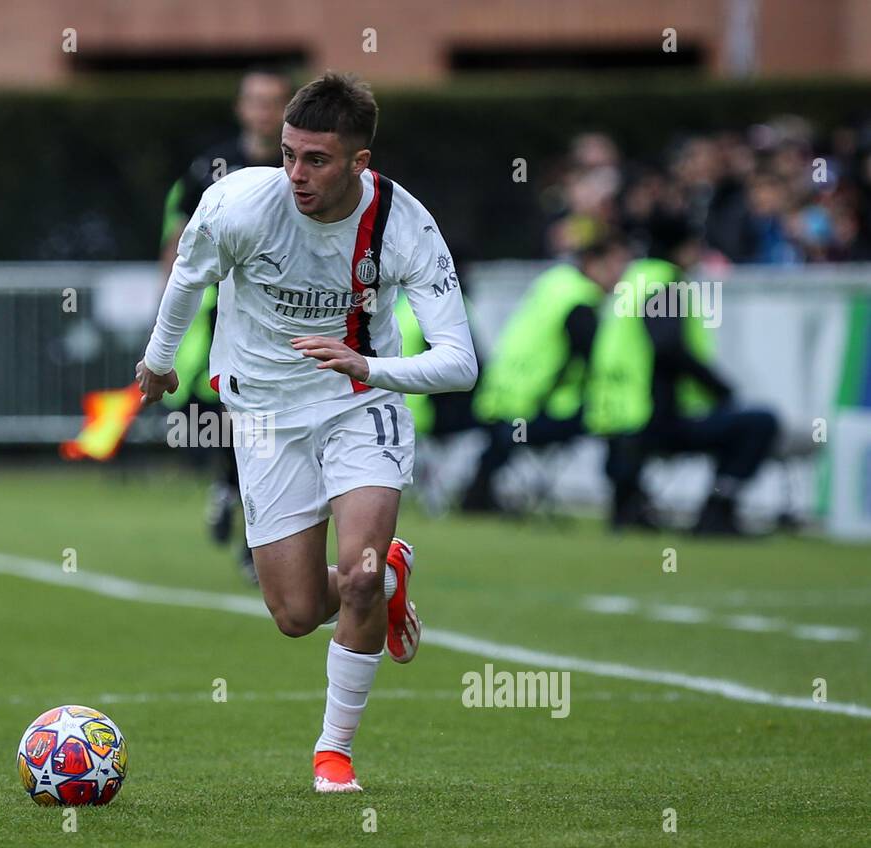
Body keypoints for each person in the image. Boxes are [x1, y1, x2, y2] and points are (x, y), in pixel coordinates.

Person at [136, 72, 478, 793]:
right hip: (262, 415)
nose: (295, 174)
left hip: (359, 404)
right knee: (295, 614)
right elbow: (187, 279)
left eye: (315, 160)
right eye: (289, 154)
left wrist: (370, 365)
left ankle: (334, 754)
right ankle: (387, 584)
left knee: (354, 572)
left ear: (359, 163)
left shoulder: (403, 224)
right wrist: (160, 364)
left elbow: (459, 363)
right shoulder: (237, 205)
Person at [159, 67, 291, 582]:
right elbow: (180, 241)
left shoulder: (300, 167)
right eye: (254, 100)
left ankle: (252, 532)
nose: (262, 110)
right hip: (228, 318)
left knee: (276, 431)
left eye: (272, 101)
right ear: (241, 107)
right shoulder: (209, 168)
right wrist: (170, 305)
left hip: (289, 319)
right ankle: (231, 496)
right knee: (234, 421)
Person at [586, 214, 779, 534]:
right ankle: (717, 512)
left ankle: (631, 505)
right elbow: (667, 347)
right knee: (760, 423)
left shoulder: (633, 280)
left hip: (618, 418)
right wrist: (720, 389)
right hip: (655, 419)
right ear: (681, 249)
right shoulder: (664, 283)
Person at [462, 233, 630, 513]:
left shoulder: (553, 285)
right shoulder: (581, 302)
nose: (621, 275)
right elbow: (595, 362)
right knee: (619, 419)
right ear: (592, 263)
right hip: (539, 411)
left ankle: (479, 493)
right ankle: (627, 504)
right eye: (616, 265)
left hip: (500, 405)